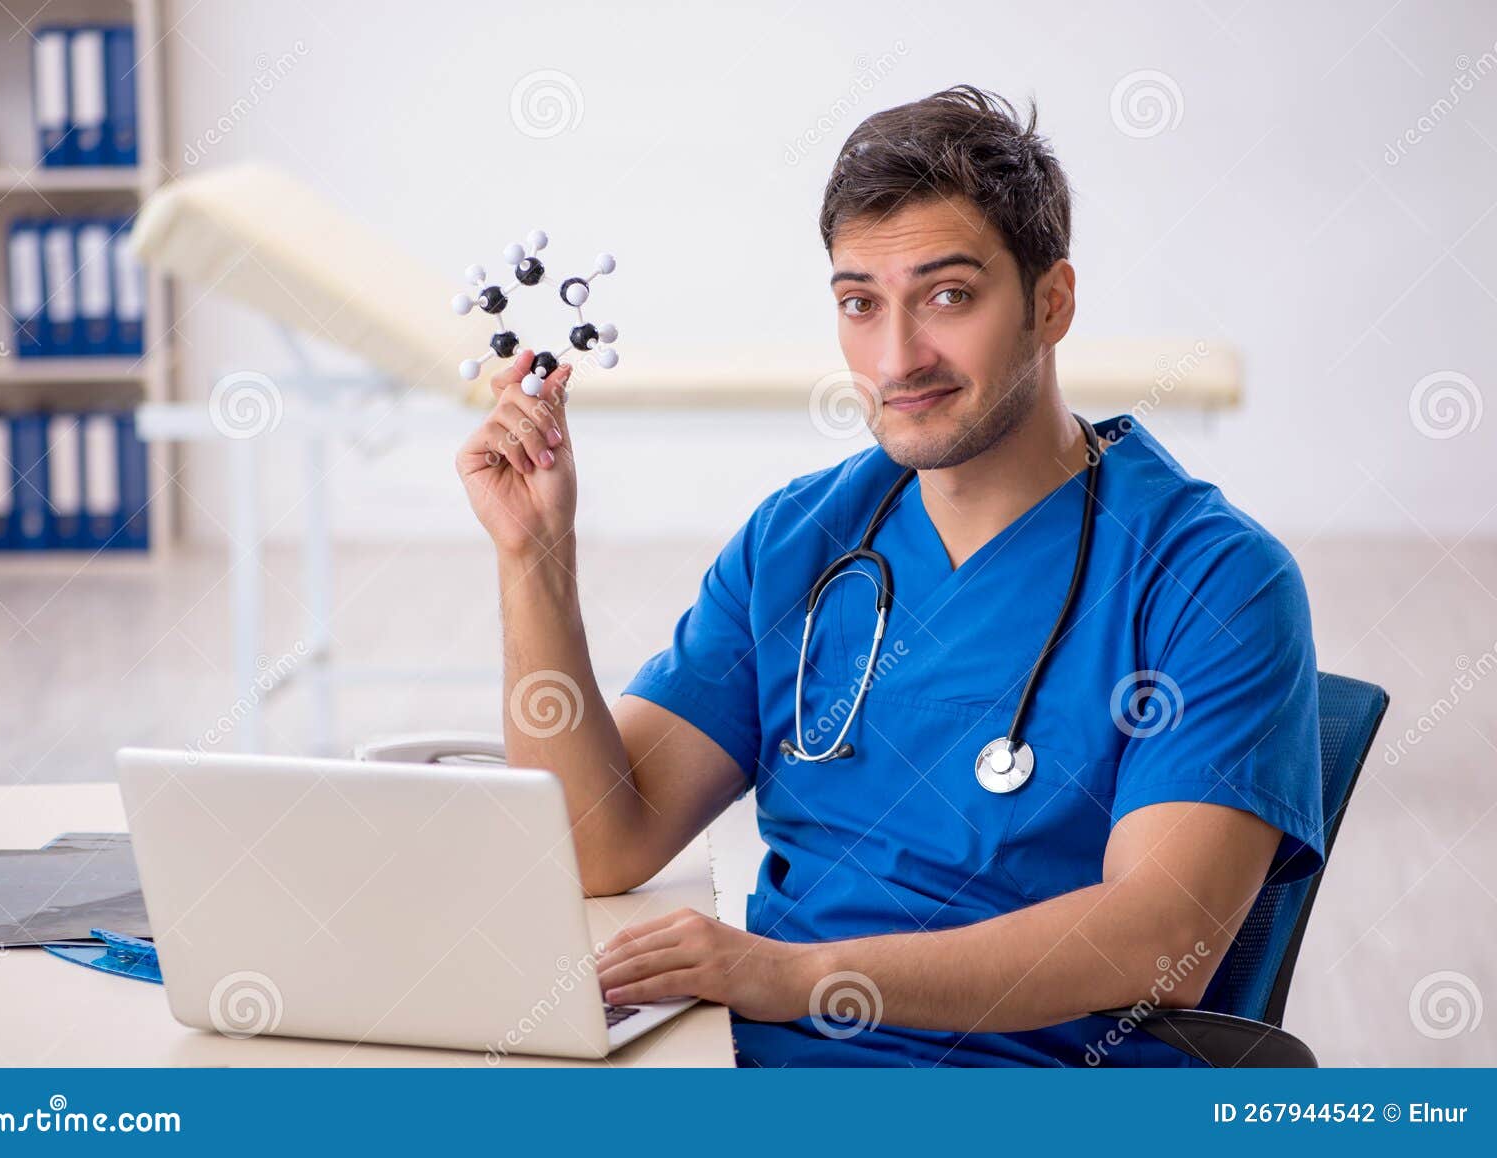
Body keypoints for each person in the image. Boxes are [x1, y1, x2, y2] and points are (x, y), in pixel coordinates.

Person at [455, 85, 1323, 1067]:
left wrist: (796, 977)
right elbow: (597, 842)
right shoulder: (799, 540)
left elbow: (1159, 940)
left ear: (1051, 302)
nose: (898, 357)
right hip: (745, 1059)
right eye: (860, 304)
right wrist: (533, 555)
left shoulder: (1212, 580)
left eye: (948, 296)